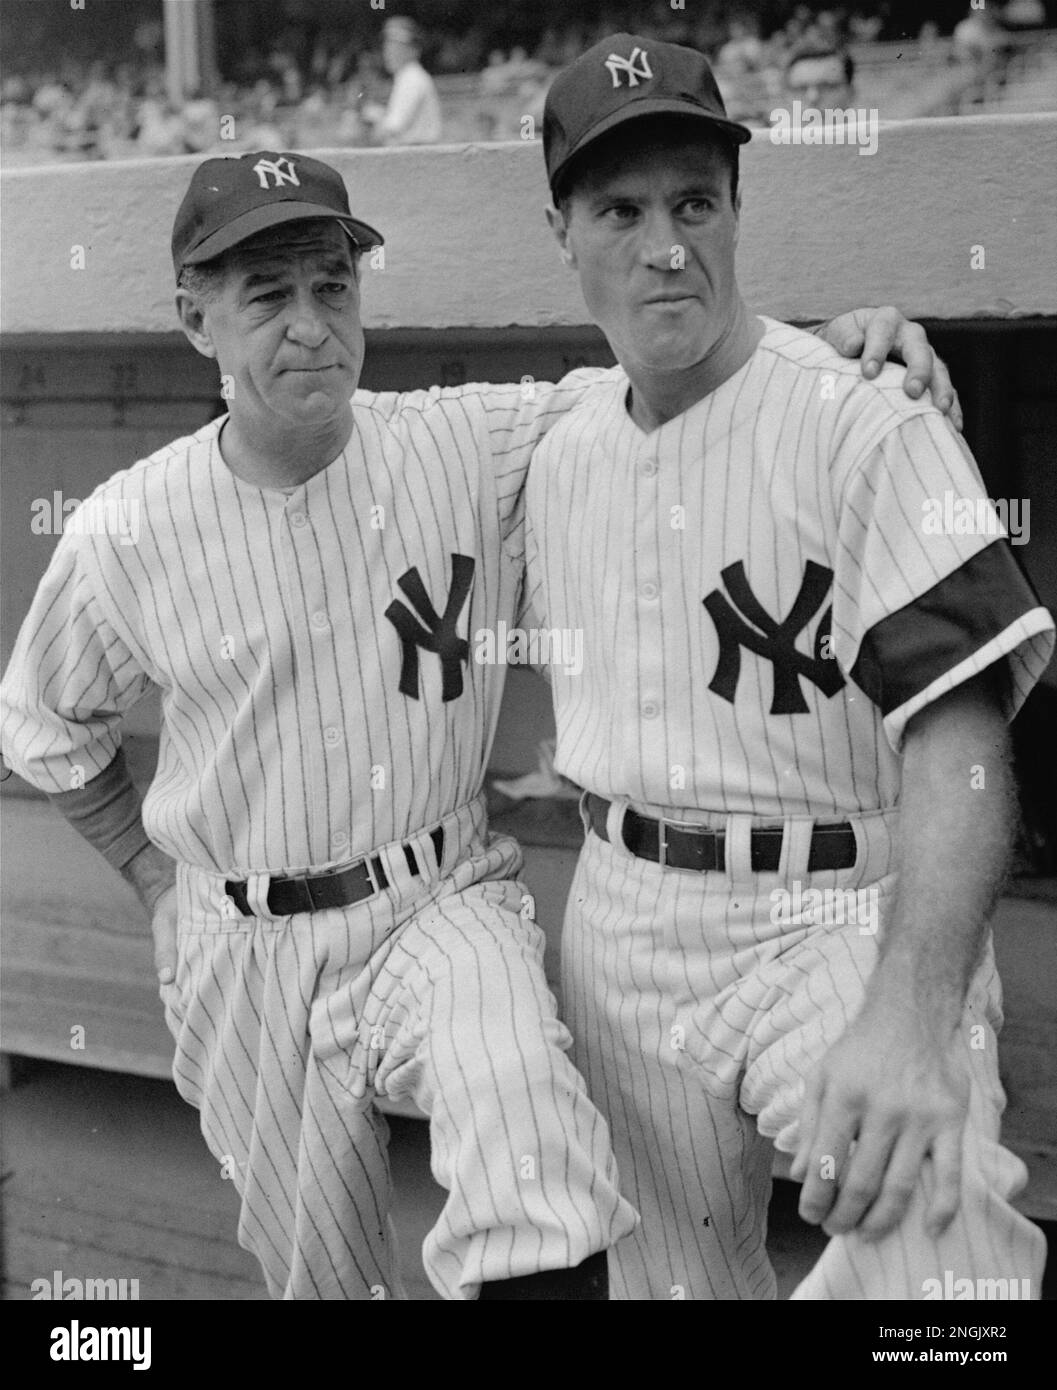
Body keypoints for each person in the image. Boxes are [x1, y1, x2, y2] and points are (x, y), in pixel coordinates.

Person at [0, 143, 955, 1301]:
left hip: (439, 901)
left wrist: (843, 349)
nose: (309, 325)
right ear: (195, 318)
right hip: (242, 946)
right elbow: (46, 724)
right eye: (267, 296)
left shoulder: (466, 438)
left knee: (528, 1145)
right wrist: (156, 884)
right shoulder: (125, 531)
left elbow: (679, 372)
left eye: (331, 287)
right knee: (322, 1276)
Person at [523, 33, 1054, 1299]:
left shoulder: (867, 414)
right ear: (563, 232)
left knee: (943, 1252)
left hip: (836, 916)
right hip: (620, 920)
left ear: (736, 210)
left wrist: (915, 1014)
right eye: (622, 209)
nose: (666, 245)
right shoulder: (544, 437)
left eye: (695, 202)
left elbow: (964, 736)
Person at [362, 16, 442, 146]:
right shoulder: (406, 76)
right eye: (388, 46)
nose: (389, 52)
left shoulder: (412, 77)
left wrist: (372, 117)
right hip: (415, 153)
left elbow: (393, 128)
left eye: (397, 47)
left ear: (413, 50)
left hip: (418, 154)